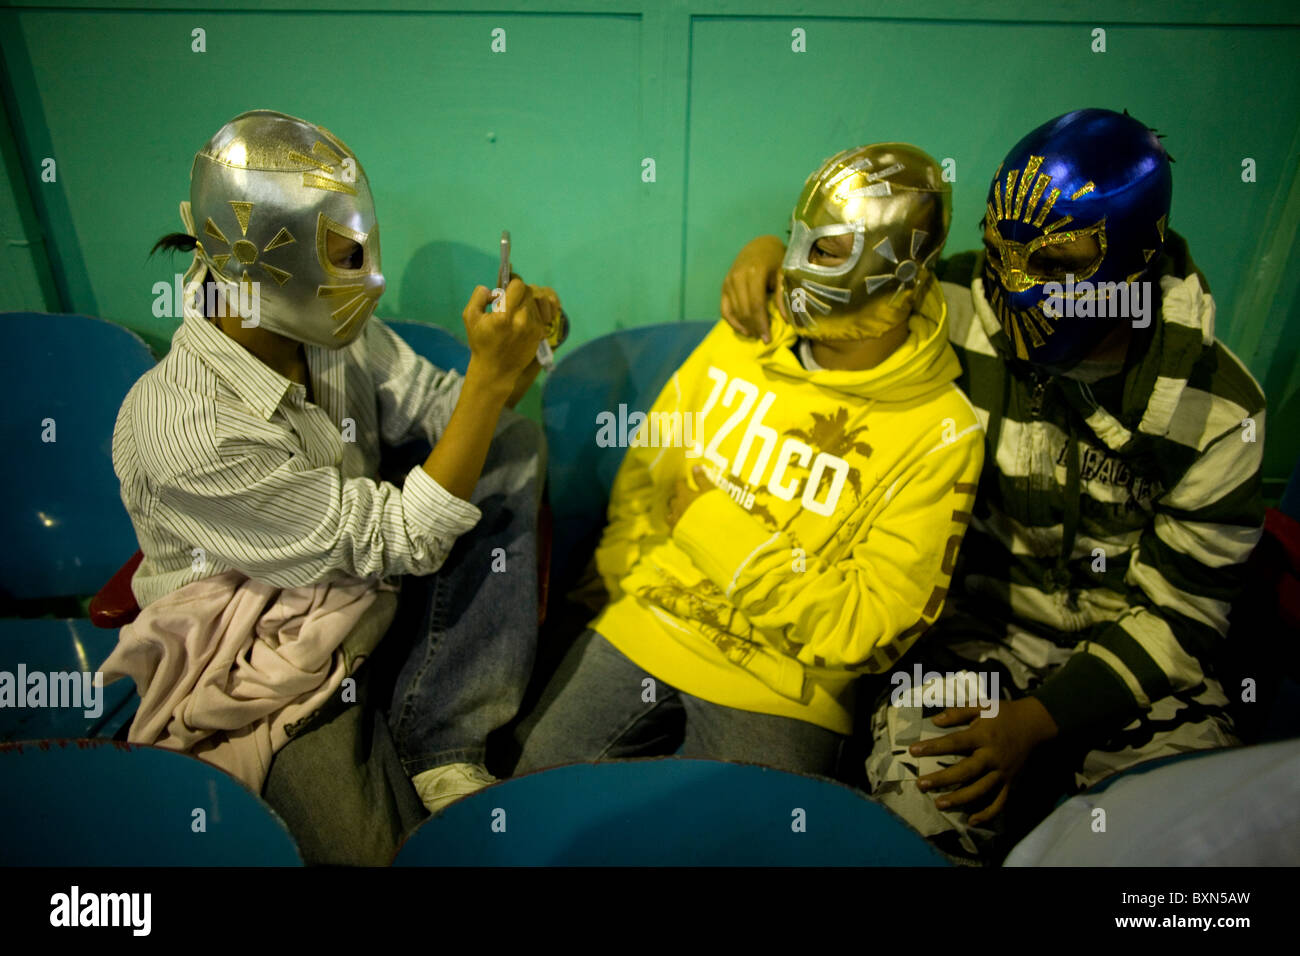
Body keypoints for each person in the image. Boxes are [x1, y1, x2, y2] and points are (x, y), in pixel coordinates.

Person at [719, 109, 1267, 862]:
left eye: (1059, 263)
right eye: (1004, 249)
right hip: (965, 644)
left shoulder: (1219, 411)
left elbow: (1182, 618)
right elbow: (837, 299)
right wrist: (763, 254)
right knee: (917, 836)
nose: (1015, 286)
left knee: (1194, 865)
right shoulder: (944, 304)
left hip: (1133, 673)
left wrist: (1039, 722)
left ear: (1138, 258)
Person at [105, 110, 562, 863]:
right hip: (271, 646)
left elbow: (449, 417)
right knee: (380, 855)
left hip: (371, 578)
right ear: (257, 267)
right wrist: (489, 379)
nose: (373, 279)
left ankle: (440, 737)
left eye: (363, 250)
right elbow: (395, 536)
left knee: (509, 443)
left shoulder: (320, 326)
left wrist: (526, 345)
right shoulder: (182, 427)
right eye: (347, 258)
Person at [513, 143, 983, 779]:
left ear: (897, 270)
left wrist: (710, 525)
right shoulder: (748, 330)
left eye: (824, 250)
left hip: (789, 686)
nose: (791, 268)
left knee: (751, 841)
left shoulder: (943, 431)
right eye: (794, 239)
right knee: (535, 787)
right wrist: (630, 582)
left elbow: (869, 623)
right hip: (651, 619)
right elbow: (648, 474)